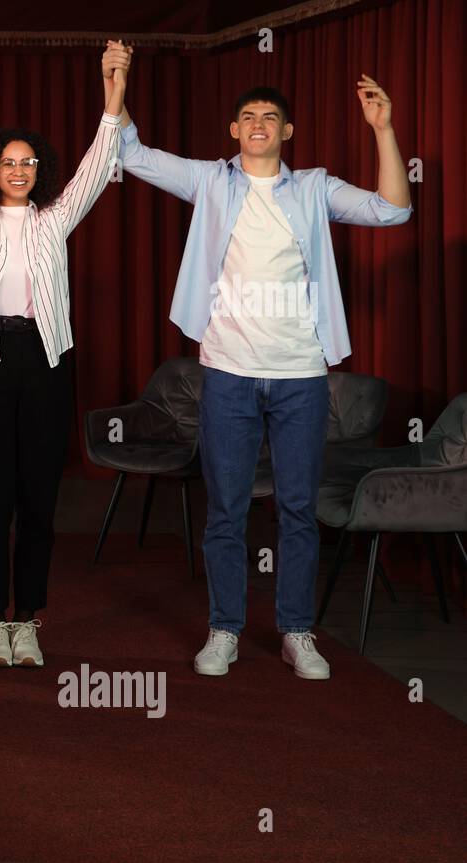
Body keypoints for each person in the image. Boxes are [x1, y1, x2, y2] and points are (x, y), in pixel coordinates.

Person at [117, 73, 412, 679]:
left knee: (297, 509)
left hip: (301, 376)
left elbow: (391, 210)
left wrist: (383, 130)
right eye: (248, 116)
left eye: (270, 118)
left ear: (287, 131)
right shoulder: (209, 180)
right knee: (226, 508)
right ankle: (224, 628)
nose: (258, 125)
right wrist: (115, 88)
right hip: (227, 374)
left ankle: (296, 631)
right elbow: (130, 153)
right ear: (234, 130)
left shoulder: (312, 188)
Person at [0, 42, 130, 667]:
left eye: (28, 162)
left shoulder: (56, 219)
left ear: (40, 170)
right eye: (9, 162)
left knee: (39, 495)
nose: (18, 170)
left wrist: (112, 90)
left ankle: (28, 620)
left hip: (45, 363)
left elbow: (98, 162)